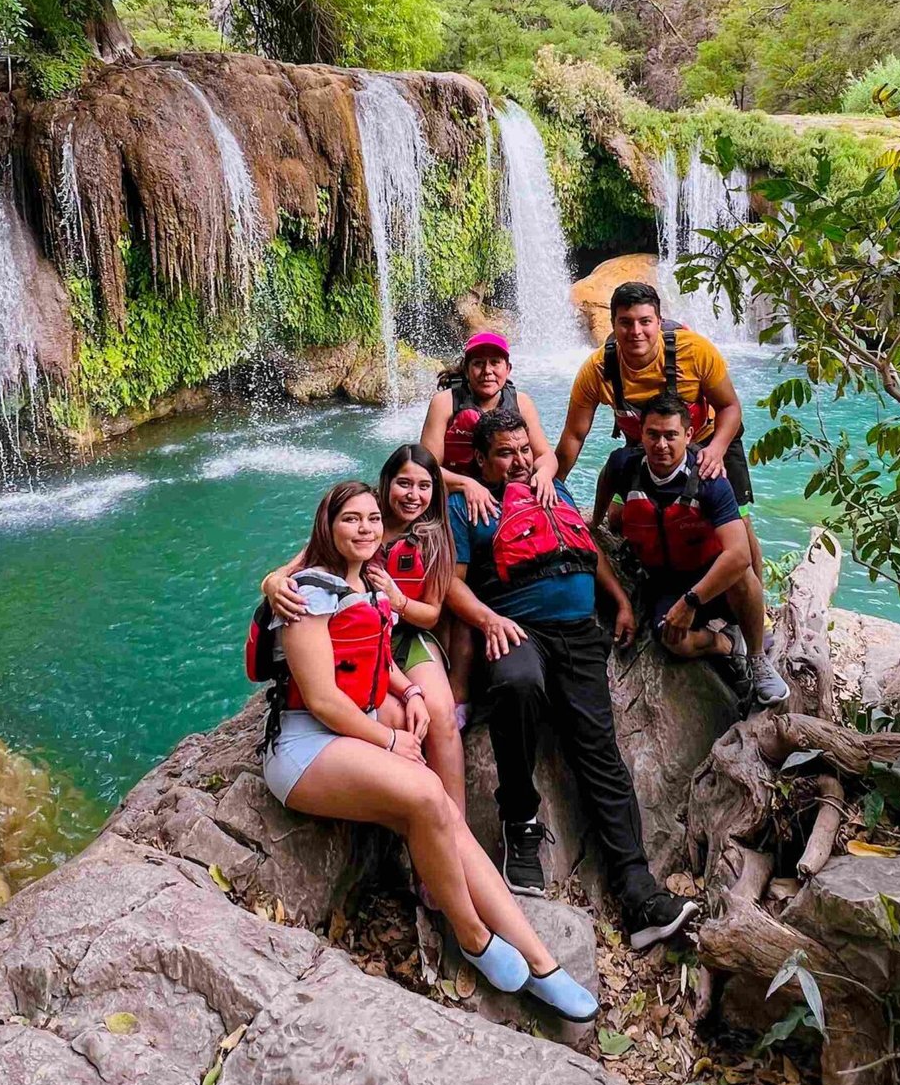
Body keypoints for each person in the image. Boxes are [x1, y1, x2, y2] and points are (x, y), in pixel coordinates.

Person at [259, 479, 598, 1023]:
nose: (366, 528)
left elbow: (373, 656)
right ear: (328, 525)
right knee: (425, 793)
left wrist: (410, 690)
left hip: (354, 729)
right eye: (351, 519)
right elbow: (322, 699)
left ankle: (542, 961)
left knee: (438, 810)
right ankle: (473, 937)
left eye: (372, 518)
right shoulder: (306, 593)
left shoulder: (367, 582)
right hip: (304, 746)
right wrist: (391, 739)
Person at [446, 409, 699, 952]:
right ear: (482, 461)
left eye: (521, 450)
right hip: (518, 628)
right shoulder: (467, 505)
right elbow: (452, 586)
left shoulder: (549, 485)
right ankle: (520, 821)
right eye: (503, 454)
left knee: (598, 750)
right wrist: (488, 619)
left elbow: (583, 545)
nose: (516, 462)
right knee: (516, 685)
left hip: (580, 634)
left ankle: (640, 895)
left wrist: (621, 599)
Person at [261, 445, 466, 815]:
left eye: (424, 486)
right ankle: (418, 807)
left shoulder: (435, 538)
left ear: (436, 490)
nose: (413, 495)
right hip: (356, 643)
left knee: (441, 713)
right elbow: (292, 568)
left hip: (407, 636)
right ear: (386, 484)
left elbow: (432, 614)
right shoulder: (360, 519)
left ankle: (454, 821)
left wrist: (395, 598)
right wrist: (272, 584)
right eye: (403, 483)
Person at [555, 281, 765, 581]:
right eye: (625, 323)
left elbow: (730, 407)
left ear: (659, 321)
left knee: (739, 523)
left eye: (645, 322)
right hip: (650, 447)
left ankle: (760, 602)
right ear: (612, 324)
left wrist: (716, 450)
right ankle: (652, 577)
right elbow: (574, 437)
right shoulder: (598, 368)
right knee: (617, 520)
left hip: (708, 438)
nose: (636, 332)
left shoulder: (694, 350)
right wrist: (552, 486)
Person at [591, 391, 788, 709]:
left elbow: (738, 554)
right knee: (674, 642)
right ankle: (727, 644)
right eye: (652, 435)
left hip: (712, 578)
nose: (661, 445)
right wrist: (596, 520)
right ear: (640, 434)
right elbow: (607, 479)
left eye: (671, 435)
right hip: (665, 580)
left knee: (742, 574)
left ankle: (757, 660)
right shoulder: (624, 464)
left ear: (688, 435)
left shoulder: (709, 479)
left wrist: (691, 601)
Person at [420, 333, 558, 521]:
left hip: (512, 488)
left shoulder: (521, 402)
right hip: (459, 495)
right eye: (478, 363)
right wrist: (466, 484)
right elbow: (426, 467)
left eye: (495, 362)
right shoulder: (444, 403)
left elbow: (544, 454)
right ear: (467, 370)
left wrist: (544, 474)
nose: (487, 371)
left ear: (508, 369)